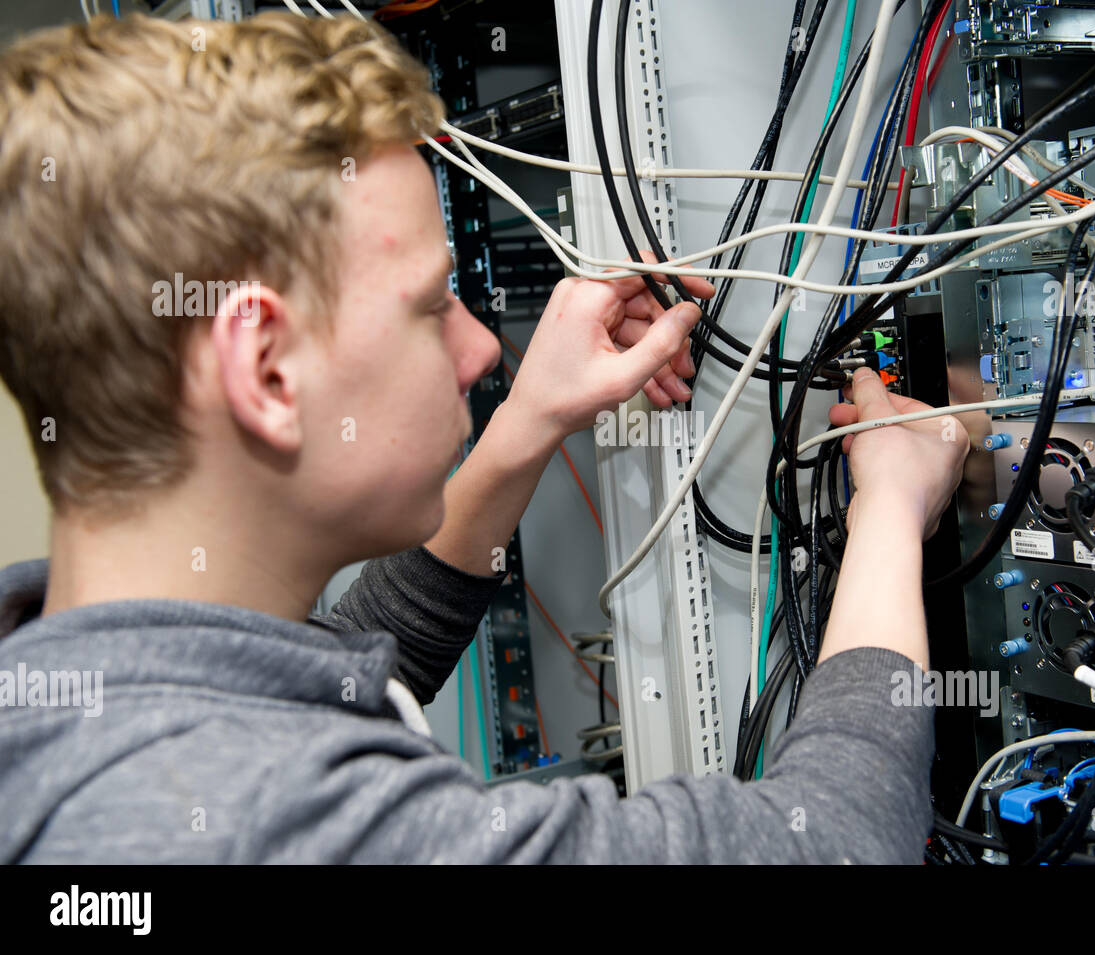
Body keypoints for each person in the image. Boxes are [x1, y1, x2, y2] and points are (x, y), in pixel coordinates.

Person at [0, 12, 967, 863]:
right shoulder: (290, 821)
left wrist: (529, 420)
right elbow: (836, 841)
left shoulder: (57, 688)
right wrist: (890, 501)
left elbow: (343, 666)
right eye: (429, 305)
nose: (477, 347)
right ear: (265, 370)